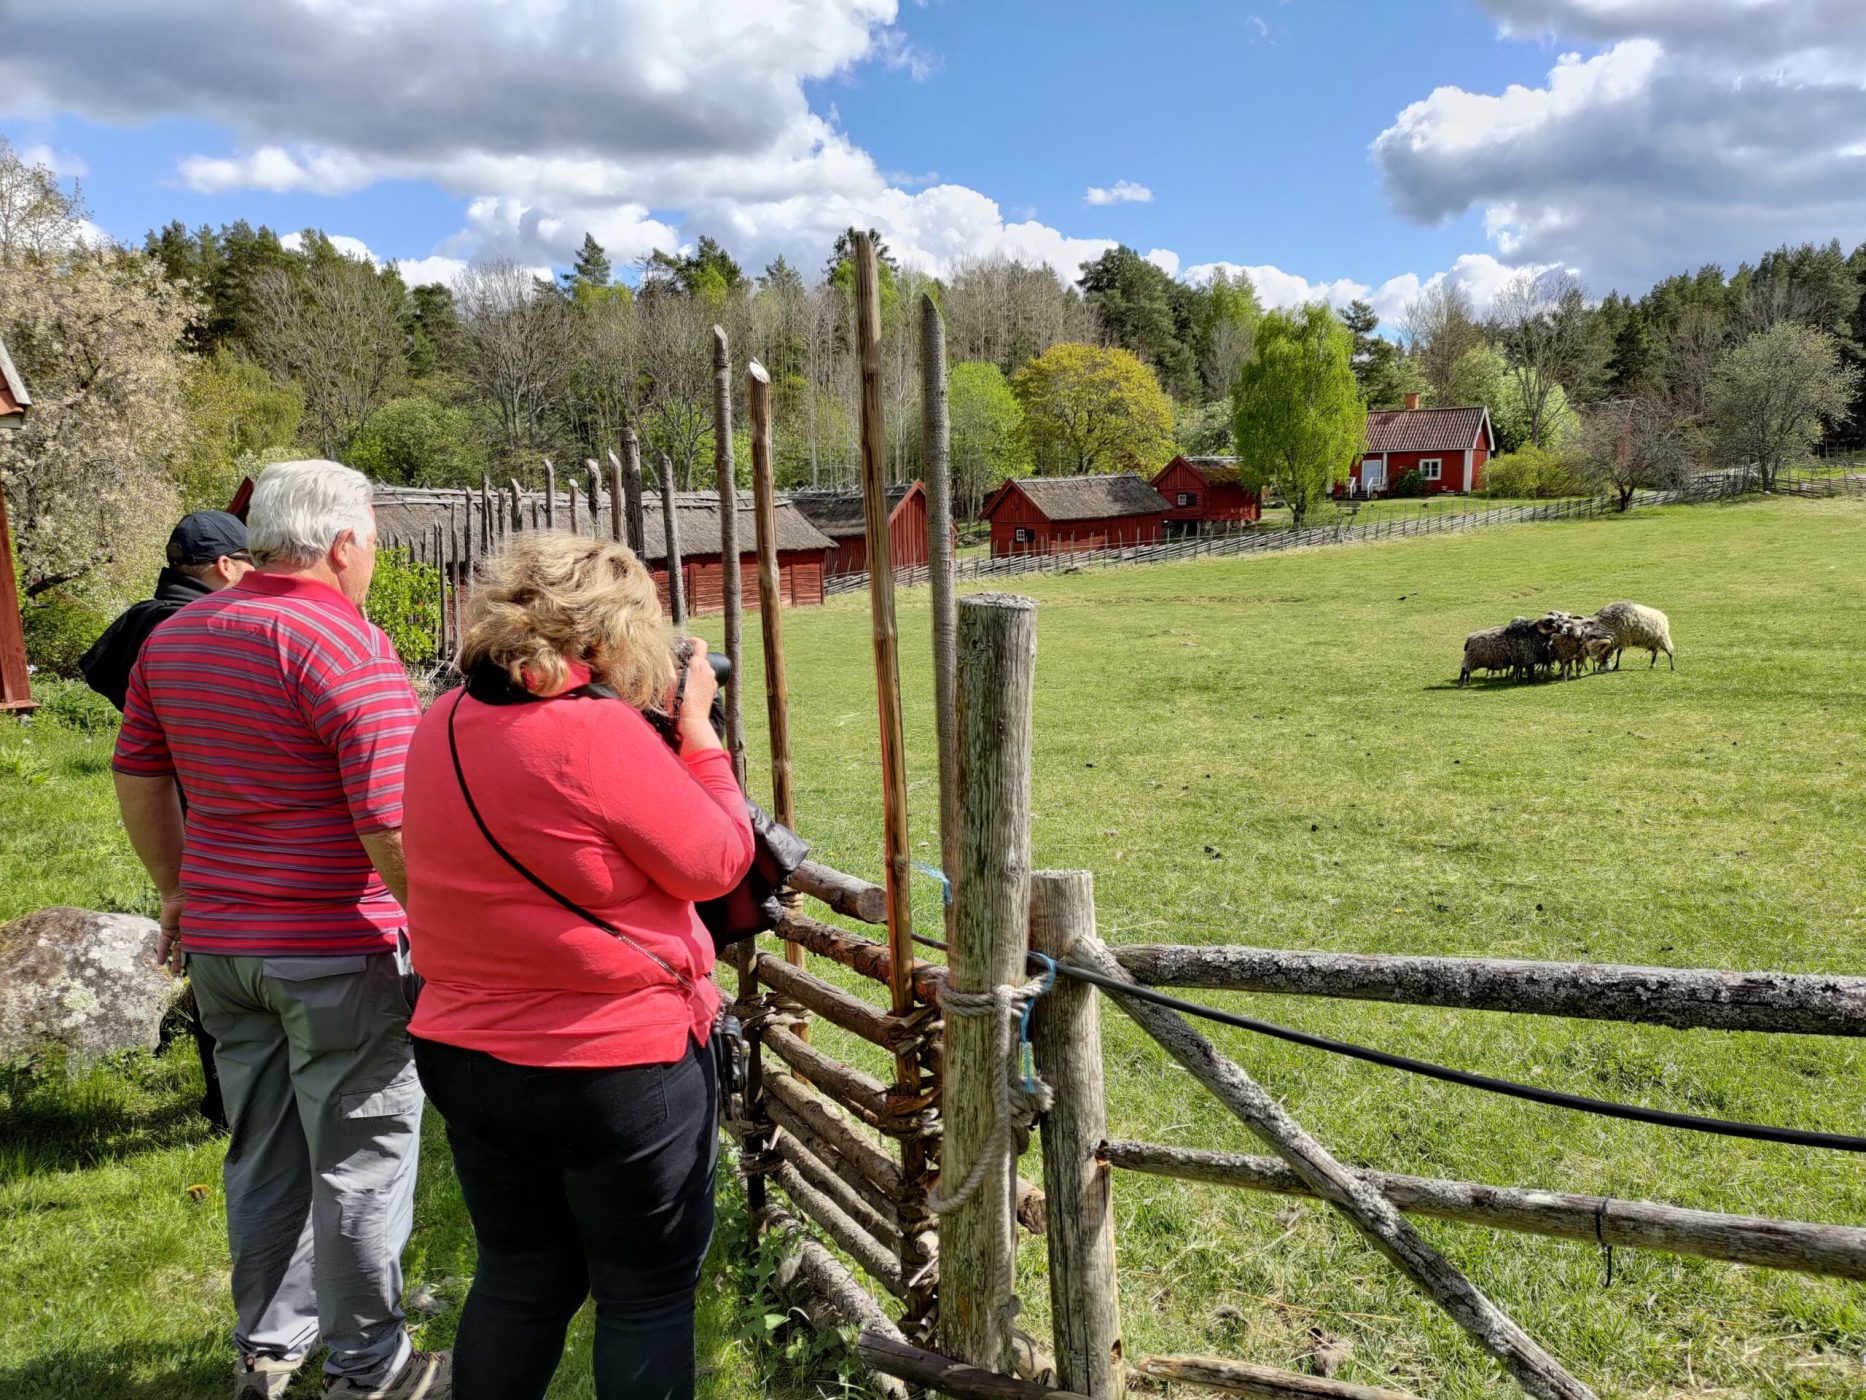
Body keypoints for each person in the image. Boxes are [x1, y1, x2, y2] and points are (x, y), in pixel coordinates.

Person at [112, 460, 448, 1400]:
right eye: (374, 541)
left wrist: (175, 891)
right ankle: (371, 1368)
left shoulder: (176, 639)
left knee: (261, 1147)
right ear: (342, 544)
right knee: (362, 1157)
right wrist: (441, 928)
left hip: (223, 943)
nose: (374, 559)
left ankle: (267, 1347)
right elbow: (388, 821)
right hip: (336, 947)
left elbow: (136, 774)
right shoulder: (345, 644)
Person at [400, 531, 753, 1400]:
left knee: (521, 1276)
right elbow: (715, 862)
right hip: (611, 1066)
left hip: (467, 1053)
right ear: (600, 639)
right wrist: (699, 732)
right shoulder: (595, 731)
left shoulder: (439, 720)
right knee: (644, 1293)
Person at [81, 509, 255, 1131]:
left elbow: (110, 687)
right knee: (230, 947)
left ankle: (223, 1100)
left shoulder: (139, 621)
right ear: (228, 566)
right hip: (210, 801)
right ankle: (232, 1099)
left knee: (201, 942)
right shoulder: (201, 628)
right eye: (251, 565)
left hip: (158, 797)